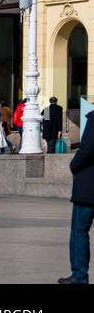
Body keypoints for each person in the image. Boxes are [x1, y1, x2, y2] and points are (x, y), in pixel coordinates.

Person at [59, 105, 94, 283]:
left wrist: (74, 165)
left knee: (80, 231)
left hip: (89, 186)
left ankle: (80, 275)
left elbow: (87, 148)